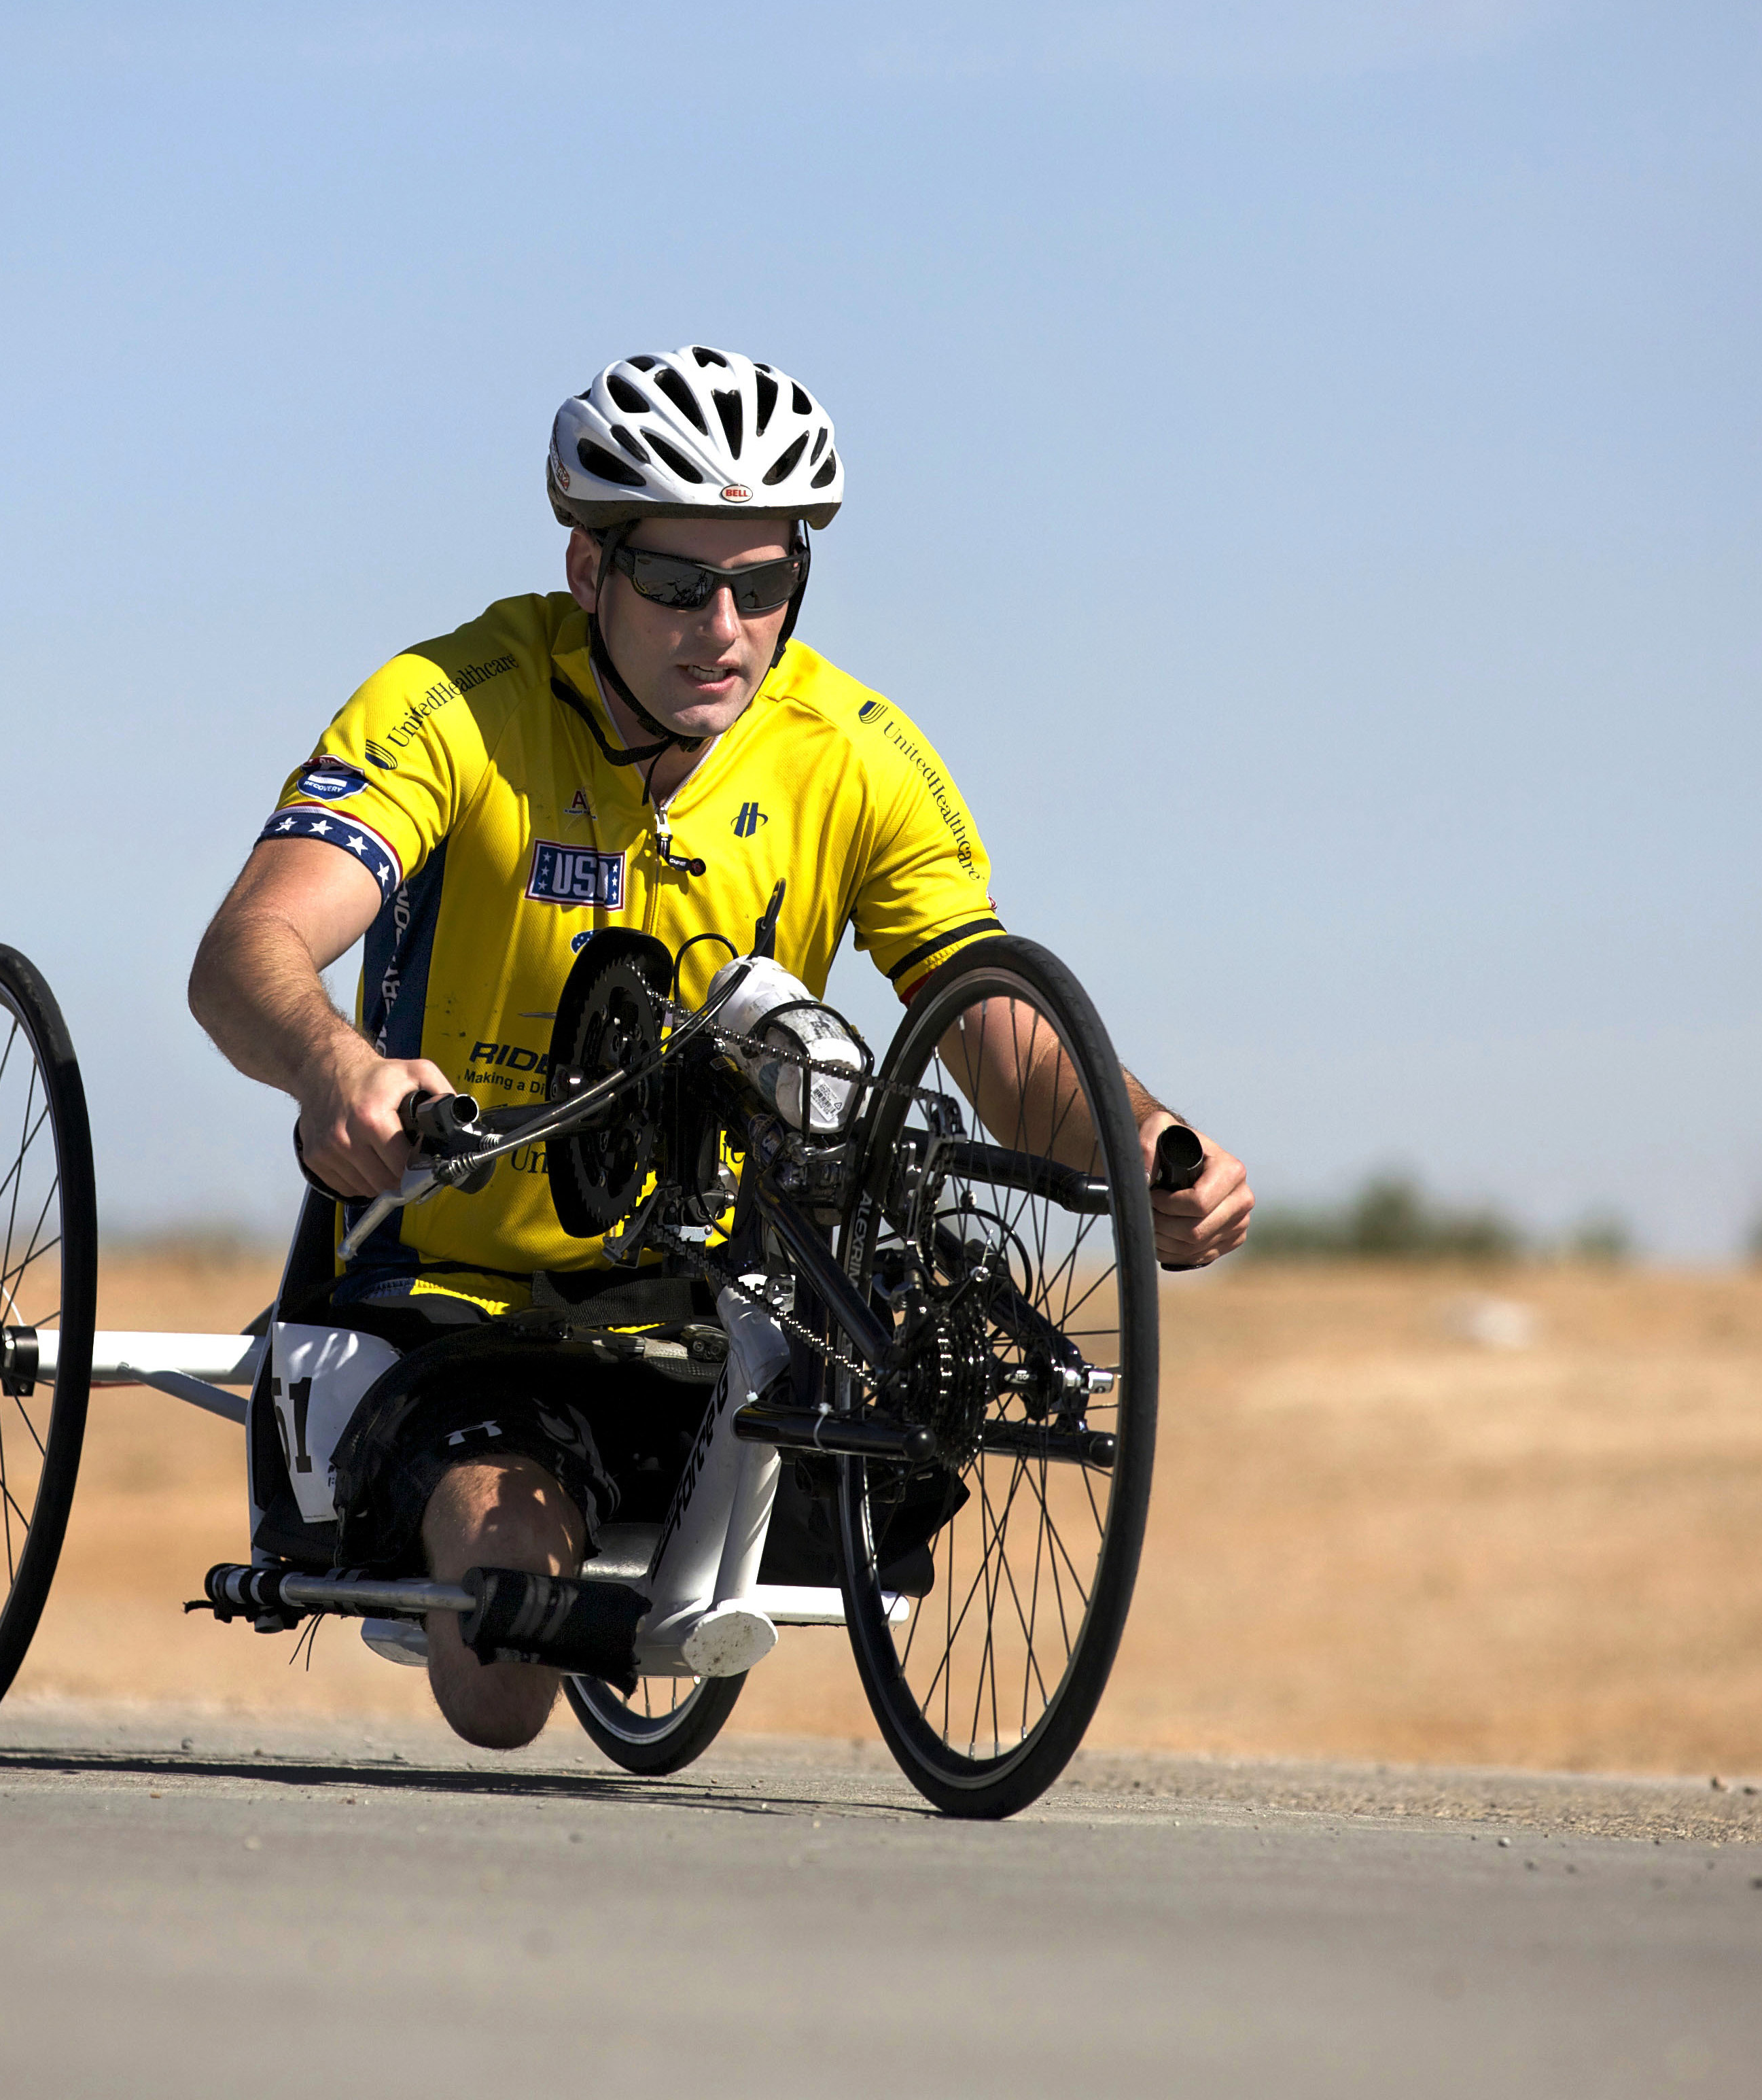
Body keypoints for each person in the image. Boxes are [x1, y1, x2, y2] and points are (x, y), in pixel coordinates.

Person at [189, 346, 1252, 1748]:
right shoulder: (456, 703)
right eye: (680, 586)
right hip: (461, 1293)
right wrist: (339, 1070)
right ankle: (462, 1542)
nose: (726, 628)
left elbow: (995, 1032)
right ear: (587, 570)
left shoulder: (855, 752)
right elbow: (246, 951)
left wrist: (1145, 1155)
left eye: (764, 585)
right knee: (501, 1694)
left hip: (721, 1307)